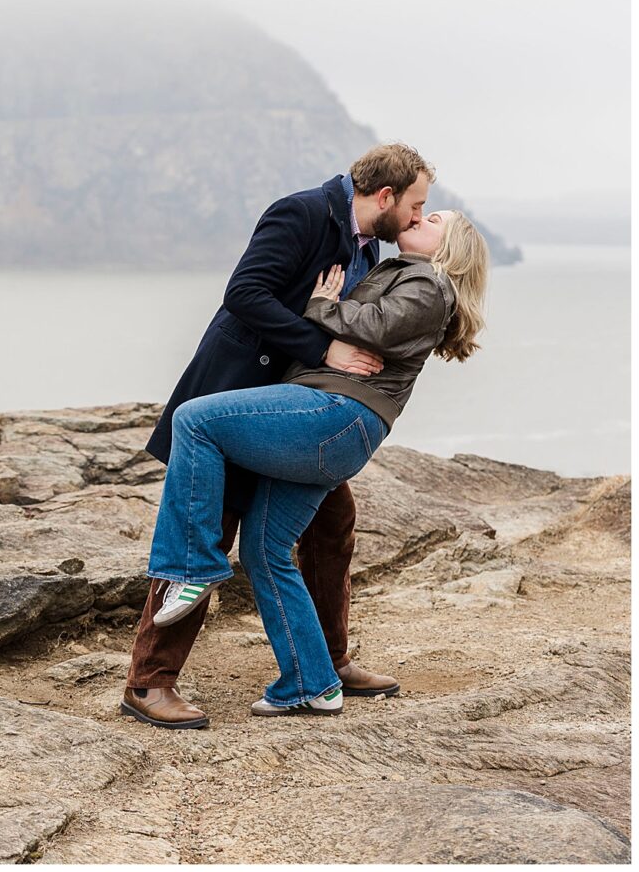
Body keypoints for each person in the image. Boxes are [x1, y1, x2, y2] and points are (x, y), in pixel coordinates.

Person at [120, 143, 434, 729]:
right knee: (208, 529)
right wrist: (323, 348)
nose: (418, 218)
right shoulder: (302, 213)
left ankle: (329, 664)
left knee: (332, 527)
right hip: (238, 396)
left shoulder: (368, 248)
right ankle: (150, 683)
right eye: (416, 205)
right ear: (385, 197)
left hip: (297, 410)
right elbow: (244, 294)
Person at [144, 210, 488, 717]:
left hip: (332, 414)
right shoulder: (394, 269)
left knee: (195, 420)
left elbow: (373, 327)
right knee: (266, 550)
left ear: (450, 246)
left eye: (433, 217)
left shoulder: (430, 283)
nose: (421, 215)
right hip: (333, 428)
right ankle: (311, 683)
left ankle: (192, 568)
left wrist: (323, 305)